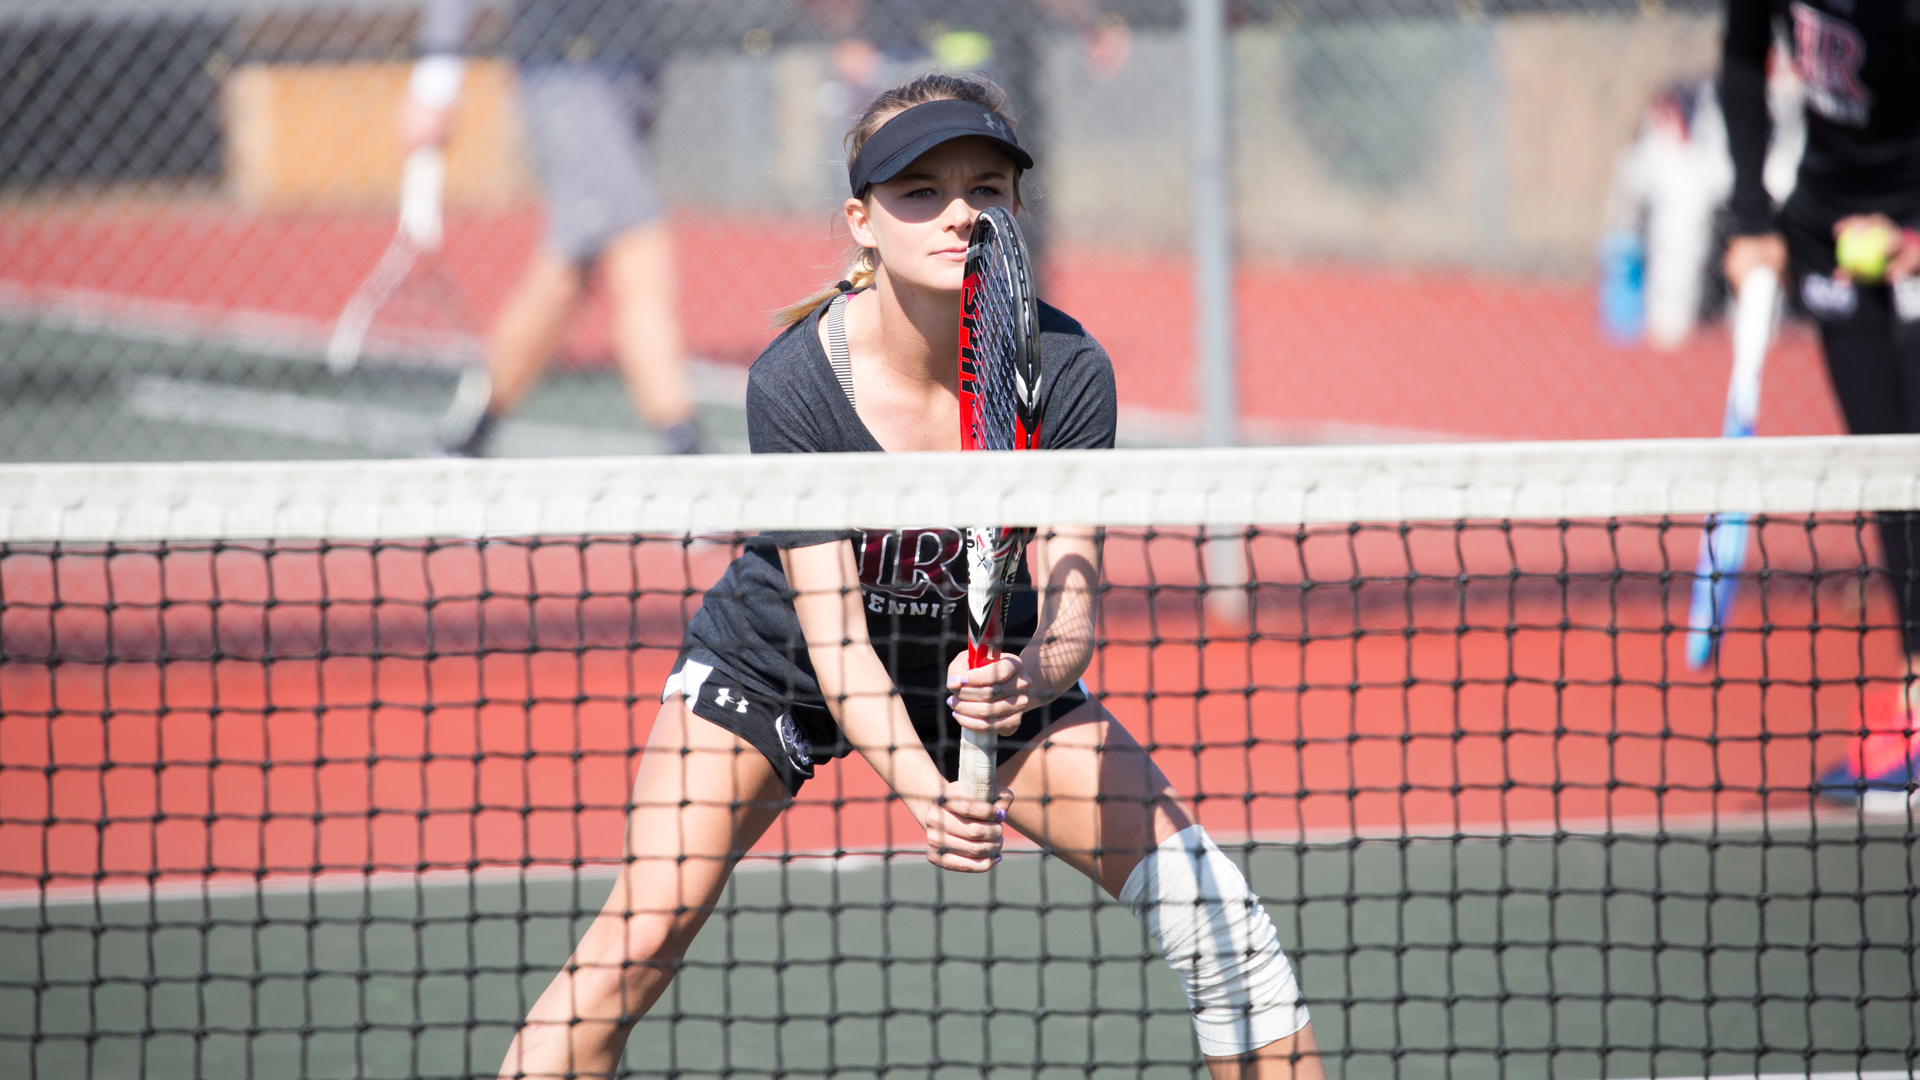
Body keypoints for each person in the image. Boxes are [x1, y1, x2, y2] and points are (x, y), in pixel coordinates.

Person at [491, 73, 1324, 1080]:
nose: (958, 212)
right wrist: (931, 796)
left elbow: (1071, 606)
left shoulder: (1069, 372)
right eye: (919, 191)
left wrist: (1029, 676)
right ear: (863, 222)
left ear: (1016, 207)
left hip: (981, 678)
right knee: (638, 939)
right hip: (779, 669)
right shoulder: (797, 381)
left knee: (1218, 921)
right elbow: (837, 641)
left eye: (985, 187)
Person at [1719, 0, 1920, 803]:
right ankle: (1915, 693)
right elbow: (1743, 59)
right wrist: (1750, 217)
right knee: (1888, 480)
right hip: (1828, 232)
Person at [405, 0, 701, 456]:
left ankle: (467, 434)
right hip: (564, 67)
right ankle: (684, 446)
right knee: (639, 244)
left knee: (569, 268)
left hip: (636, 69)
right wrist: (435, 83)